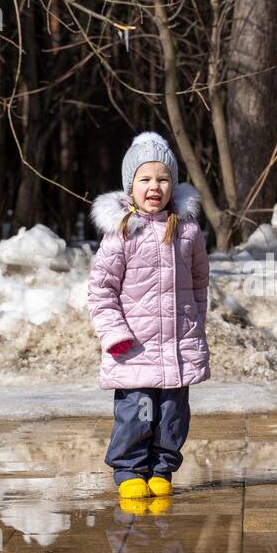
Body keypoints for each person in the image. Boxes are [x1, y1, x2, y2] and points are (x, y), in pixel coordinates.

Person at [86, 131, 211, 502]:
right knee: (137, 413)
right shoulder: (121, 234)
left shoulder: (187, 231)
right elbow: (101, 291)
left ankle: (162, 468)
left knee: (173, 413)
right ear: (131, 186)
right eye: (145, 179)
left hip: (177, 344)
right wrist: (114, 335)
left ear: (173, 185)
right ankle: (128, 469)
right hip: (134, 347)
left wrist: (196, 323)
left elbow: (200, 280)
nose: (154, 187)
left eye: (162, 179)